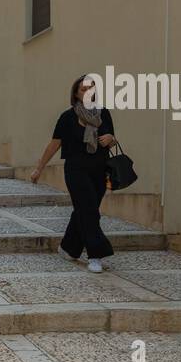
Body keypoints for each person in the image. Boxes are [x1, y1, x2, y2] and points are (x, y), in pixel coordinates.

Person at [30, 74, 117, 273]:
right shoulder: (67, 117)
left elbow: (112, 139)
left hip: (99, 169)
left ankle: (68, 247)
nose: (87, 92)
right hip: (76, 170)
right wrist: (39, 168)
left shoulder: (104, 113)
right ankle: (95, 255)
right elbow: (54, 144)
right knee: (89, 209)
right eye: (83, 89)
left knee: (85, 210)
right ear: (76, 94)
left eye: (90, 88)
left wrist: (110, 138)